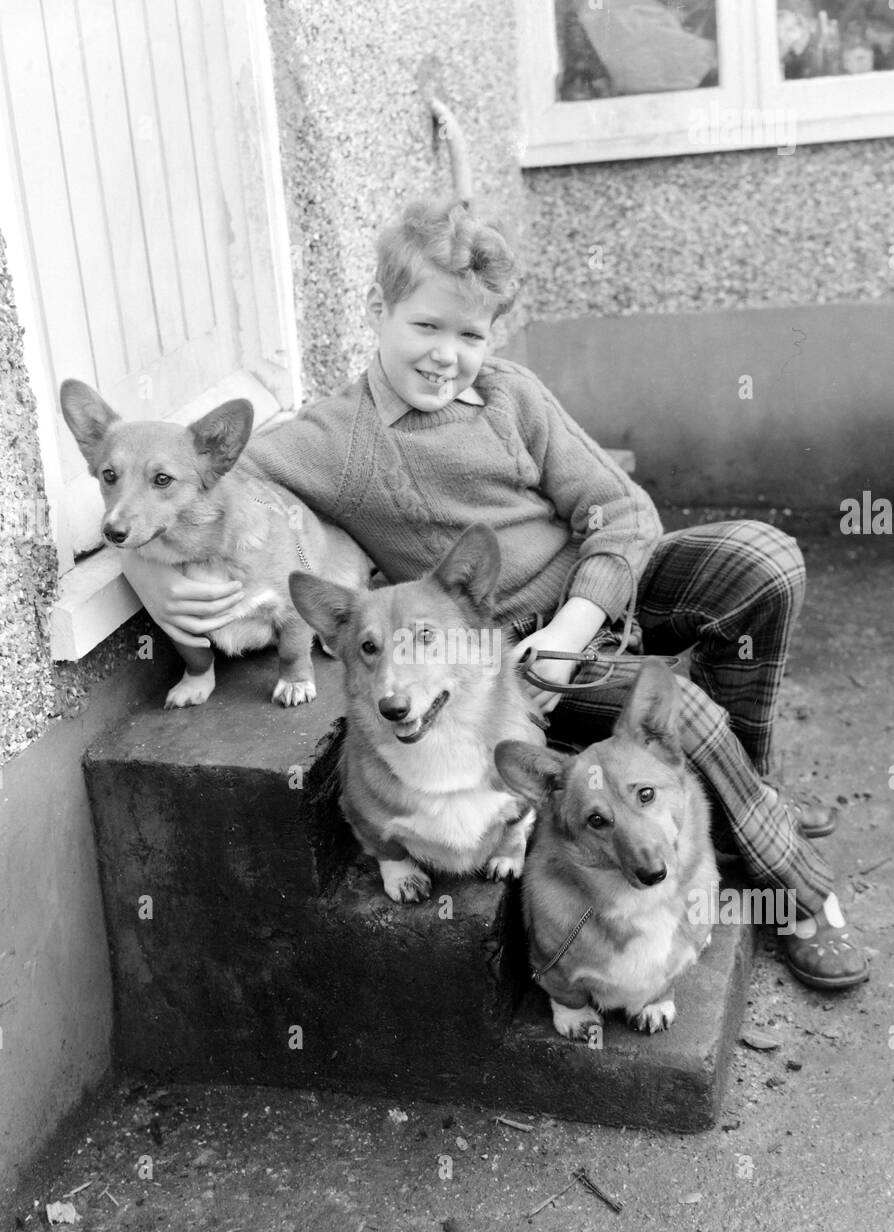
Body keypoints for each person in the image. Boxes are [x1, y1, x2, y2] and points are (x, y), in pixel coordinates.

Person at [121, 196, 868, 991]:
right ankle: (799, 898)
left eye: (471, 335)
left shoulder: (513, 395)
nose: (449, 355)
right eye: (428, 327)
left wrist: (581, 620)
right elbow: (201, 474)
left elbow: (621, 511)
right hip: (513, 660)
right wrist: (144, 574)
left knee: (765, 560)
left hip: (595, 600)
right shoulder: (335, 439)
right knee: (684, 713)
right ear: (380, 312)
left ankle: (751, 800)